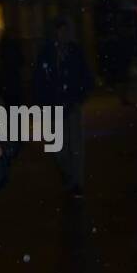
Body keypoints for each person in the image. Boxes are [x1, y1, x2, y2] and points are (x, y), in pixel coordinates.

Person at [32, 17, 94, 196]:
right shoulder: (47, 53)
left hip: (72, 104)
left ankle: (77, 182)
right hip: (53, 107)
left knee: (76, 147)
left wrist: (79, 97)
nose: (64, 35)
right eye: (61, 31)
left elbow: (85, 76)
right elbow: (39, 80)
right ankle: (69, 176)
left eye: (67, 31)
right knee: (58, 149)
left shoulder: (75, 52)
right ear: (56, 33)